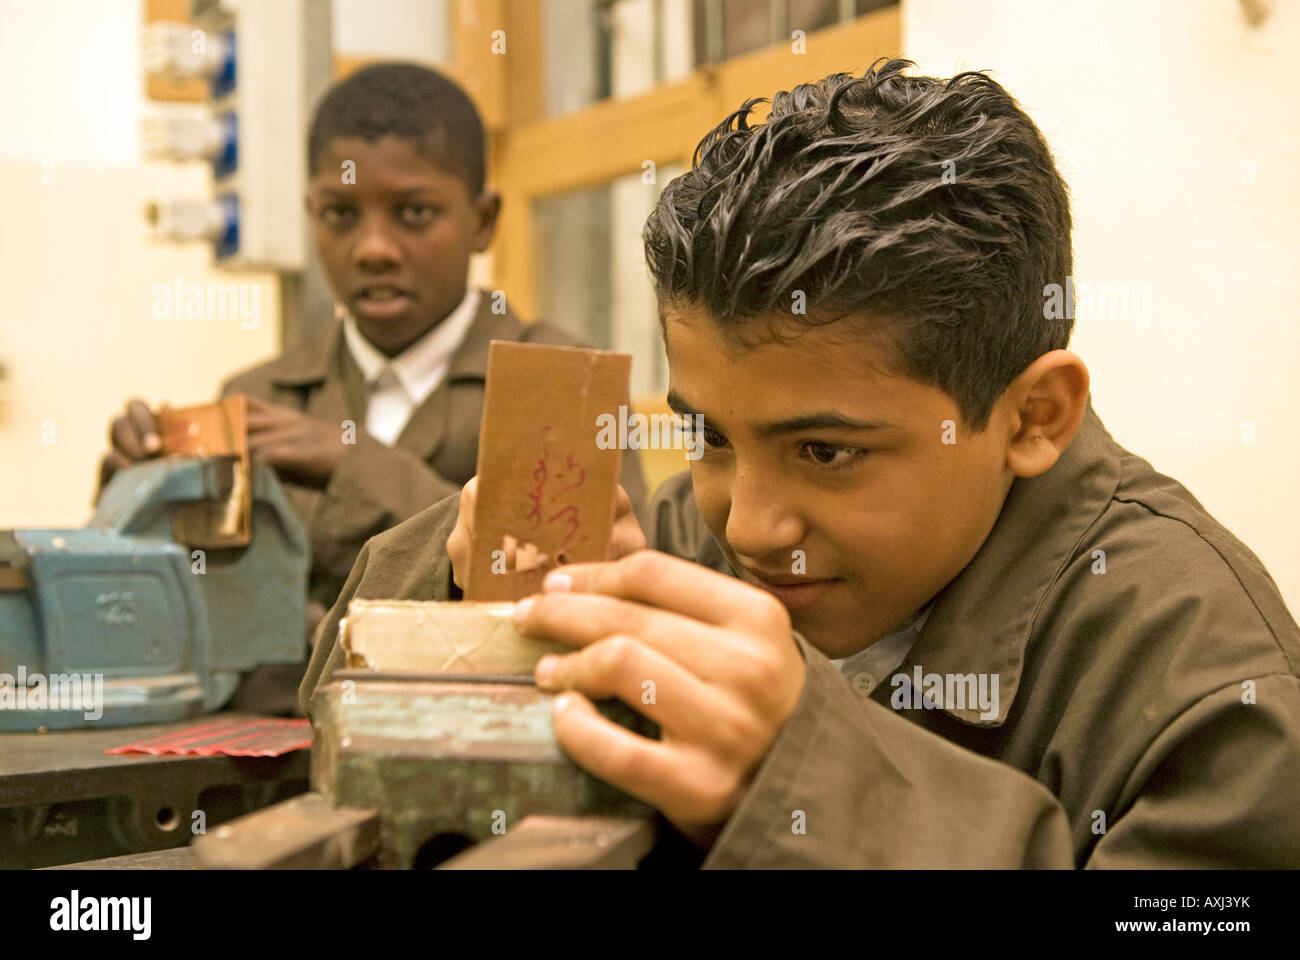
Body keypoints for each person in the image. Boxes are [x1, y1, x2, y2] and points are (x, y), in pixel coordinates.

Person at [299, 59, 1300, 867]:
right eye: (710, 438)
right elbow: (326, 732)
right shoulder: (689, 550)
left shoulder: (1217, 707)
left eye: (826, 452)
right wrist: (462, 589)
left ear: (1032, 415)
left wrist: (816, 789)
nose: (746, 528)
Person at [97, 63, 646, 713]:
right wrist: (137, 506)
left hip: (486, 749)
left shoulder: (561, 381)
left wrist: (352, 465)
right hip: (274, 760)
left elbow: (588, 593)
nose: (373, 249)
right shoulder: (259, 393)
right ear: (311, 214)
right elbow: (210, 614)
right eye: (340, 214)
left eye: (414, 213)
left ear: (482, 221)